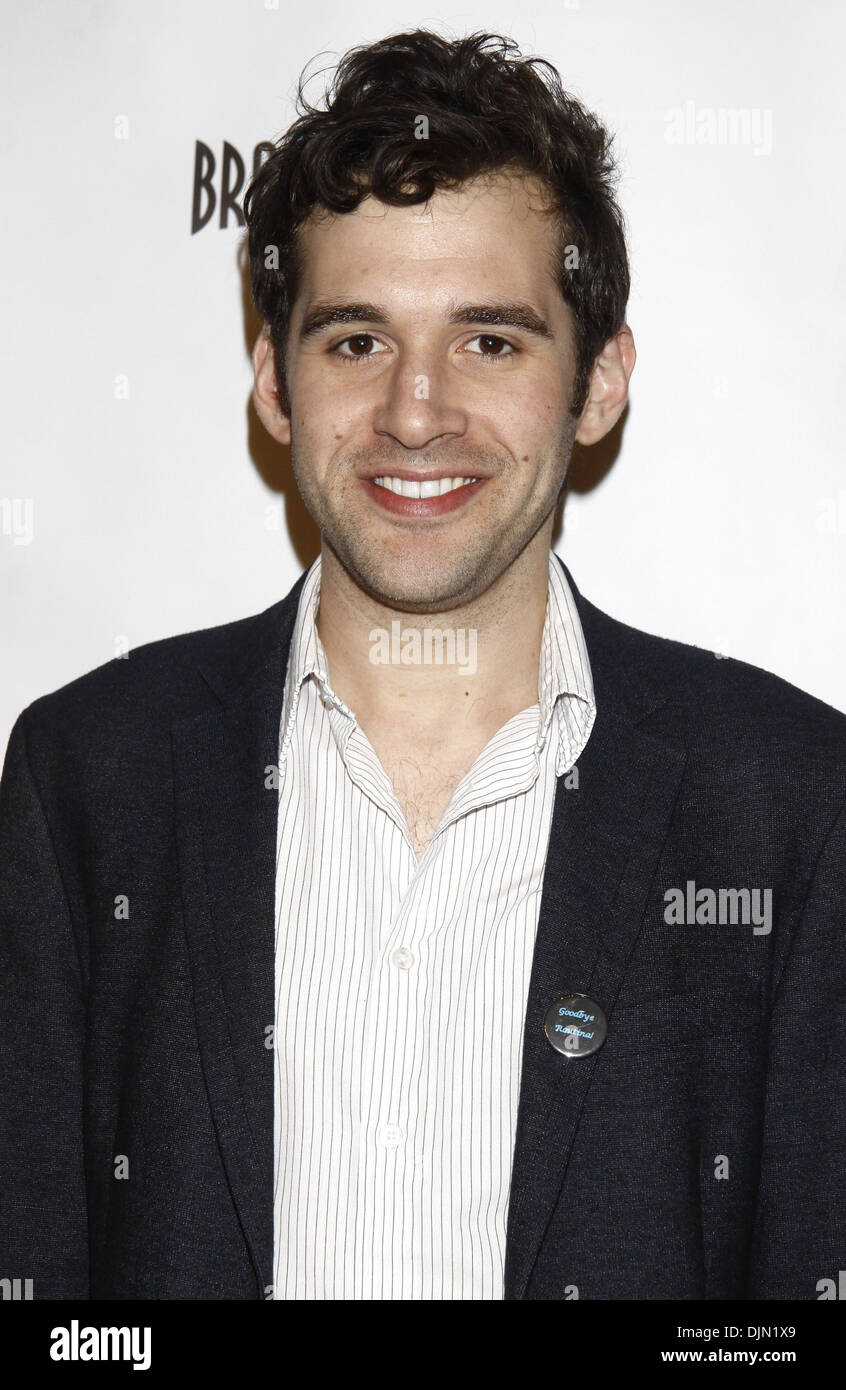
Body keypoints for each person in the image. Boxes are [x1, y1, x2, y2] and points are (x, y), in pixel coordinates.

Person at [1, 28, 844, 1302]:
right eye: (356, 341)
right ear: (274, 387)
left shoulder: (789, 801)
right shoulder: (87, 780)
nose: (415, 411)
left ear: (600, 382)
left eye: (491, 341)